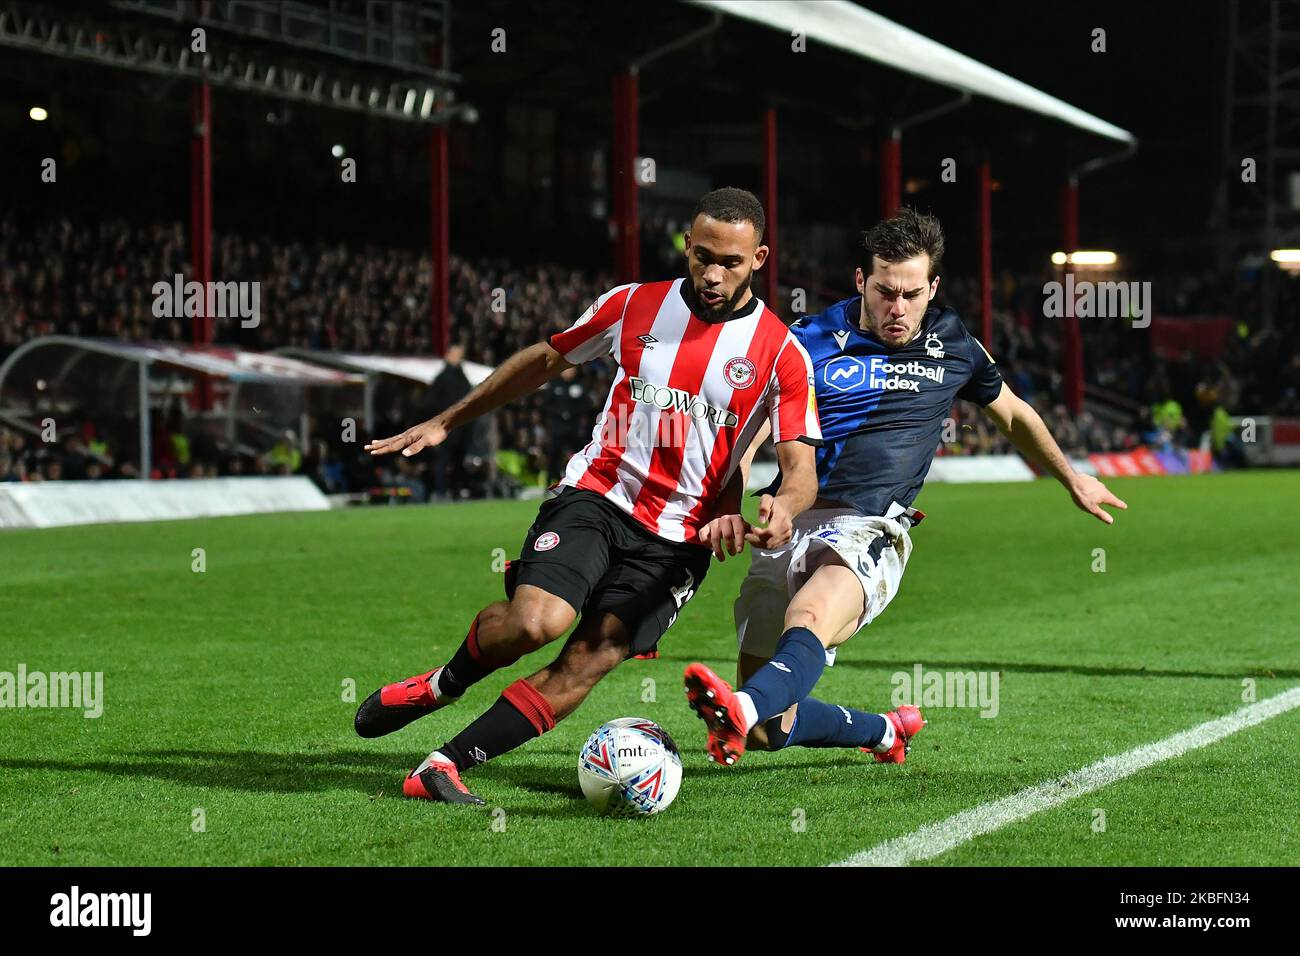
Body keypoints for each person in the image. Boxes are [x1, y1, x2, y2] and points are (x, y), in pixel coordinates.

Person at [355, 187, 822, 803]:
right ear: (686, 244)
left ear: (759, 258)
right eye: (702, 255)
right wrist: (448, 420)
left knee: (592, 656)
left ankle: (443, 764)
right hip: (599, 494)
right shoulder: (633, 305)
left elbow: (800, 470)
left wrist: (781, 508)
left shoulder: (783, 355)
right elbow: (547, 360)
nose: (711, 274)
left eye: (729, 263)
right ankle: (441, 685)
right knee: (535, 623)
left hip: (679, 539)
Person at [683, 207, 1128, 767]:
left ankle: (738, 710)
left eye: (913, 294)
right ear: (861, 281)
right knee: (775, 728)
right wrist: (741, 497)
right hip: (790, 522)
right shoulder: (807, 339)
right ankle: (881, 731)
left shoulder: (955, 342)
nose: (898, 308)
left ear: (932, 287)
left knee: (810, 619)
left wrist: (1071, 479)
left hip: (869, 526)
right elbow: (751, 433)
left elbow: (1011, 413)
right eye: (886, 292)